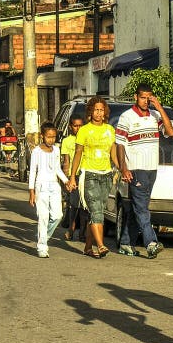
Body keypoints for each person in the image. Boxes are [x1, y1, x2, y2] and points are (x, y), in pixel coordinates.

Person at [115, 83, 173, 258]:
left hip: (151, 168)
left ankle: (126, 243)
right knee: (142, 208)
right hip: (136, 168)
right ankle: (151, 242)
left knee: (138, 207)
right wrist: (123, 168)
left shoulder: (155, 115)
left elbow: (170, 132)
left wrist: (159, 107)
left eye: (149, 98)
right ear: (136, 97)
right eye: (143, 97)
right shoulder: (126, 117)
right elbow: (120, 144)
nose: (146, 101)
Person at [67, 97, 118, 259]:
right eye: (96, 110)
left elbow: (113, 152)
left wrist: (120, 168)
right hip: (89, 174)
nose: (98, 113)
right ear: (90, 112)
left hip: (106, 175)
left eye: (101, 110)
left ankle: (88, 247)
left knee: (96, 212)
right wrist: (72, 177)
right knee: (96, 211)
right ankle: (101, 245)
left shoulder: (110, 130)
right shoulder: (84, 130)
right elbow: (78, 154)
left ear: (105, 112)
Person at [29, 122, 68, 258]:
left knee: (58, 216)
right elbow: (33, 172)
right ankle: (42, 247)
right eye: (48, 137)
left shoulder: (56, 150)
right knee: (43, 217)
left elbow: (57, 169)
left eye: (53, 137)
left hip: (54, 186)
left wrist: (66, 181)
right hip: (41, 186)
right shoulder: (36, 152)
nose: (51, 139)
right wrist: (31, 191)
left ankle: (44, 236)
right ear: (42, 136)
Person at [60, 116, 87, 241]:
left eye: (81, 125)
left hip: (86, 173)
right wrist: (66, 179)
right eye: (75, 126)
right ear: (71, 127)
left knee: (84, 206)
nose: (78, 128)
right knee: (73, 205)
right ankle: (71, 230)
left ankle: (82, 232)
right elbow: (66, 161)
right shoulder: (67, 141)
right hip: (73, 176)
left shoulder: (87, 139)